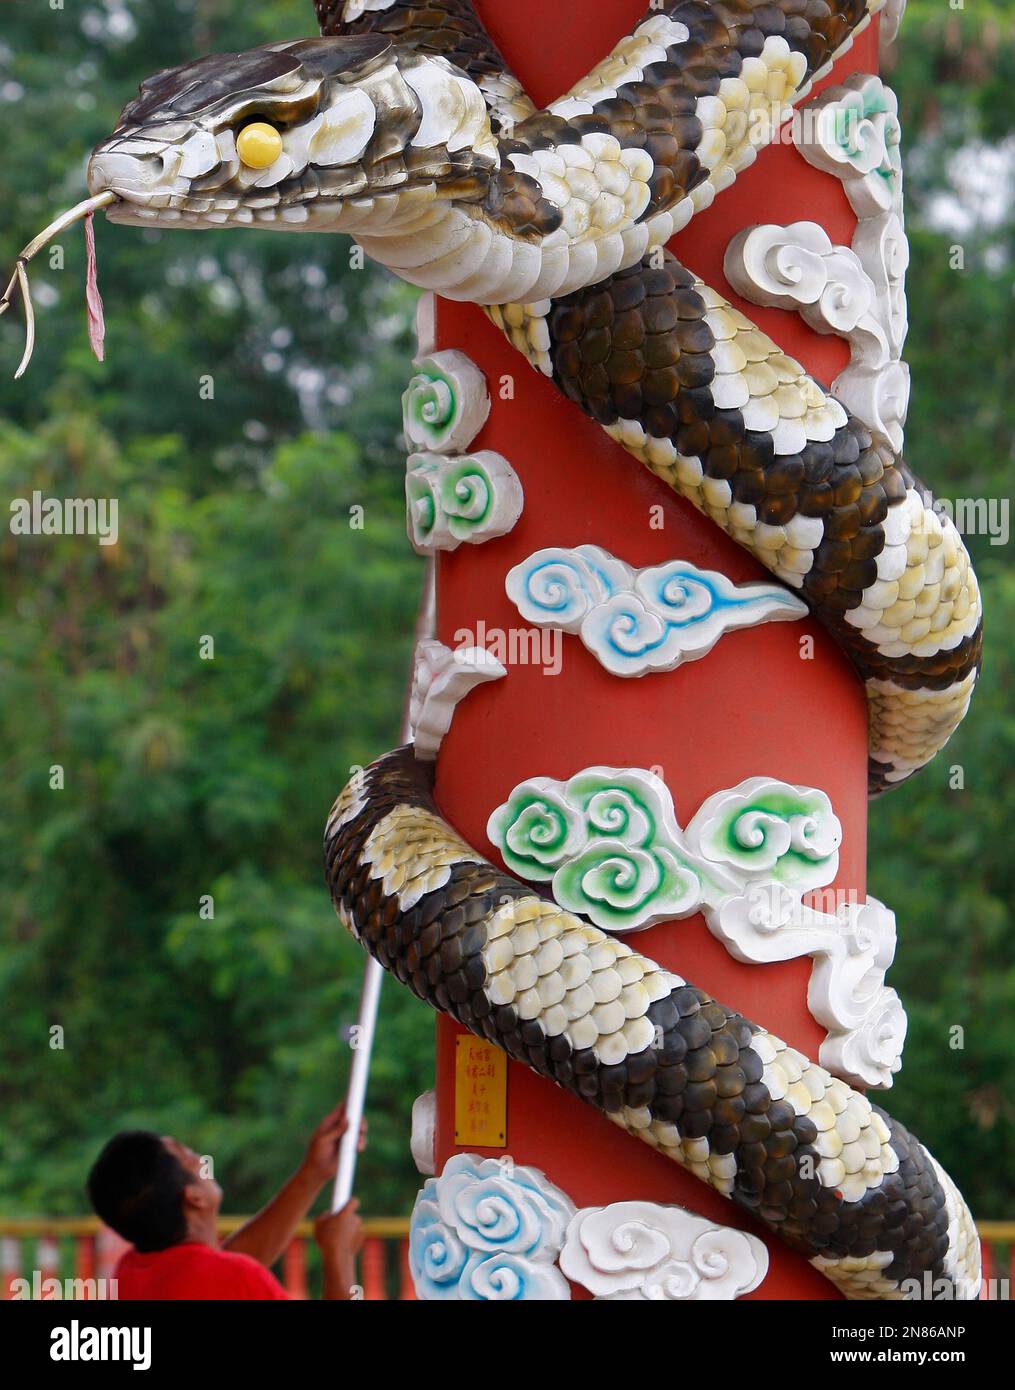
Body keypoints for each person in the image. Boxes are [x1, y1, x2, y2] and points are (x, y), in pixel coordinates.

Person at [86, 1102, 365, 1299]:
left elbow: (217, 1270)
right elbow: (228, 1275)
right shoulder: (237, 1279)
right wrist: (338, 1256)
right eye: (187, 1155)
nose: (199, 1159)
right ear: (194, 1197)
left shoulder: (131, 1272)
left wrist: (313, 1172)